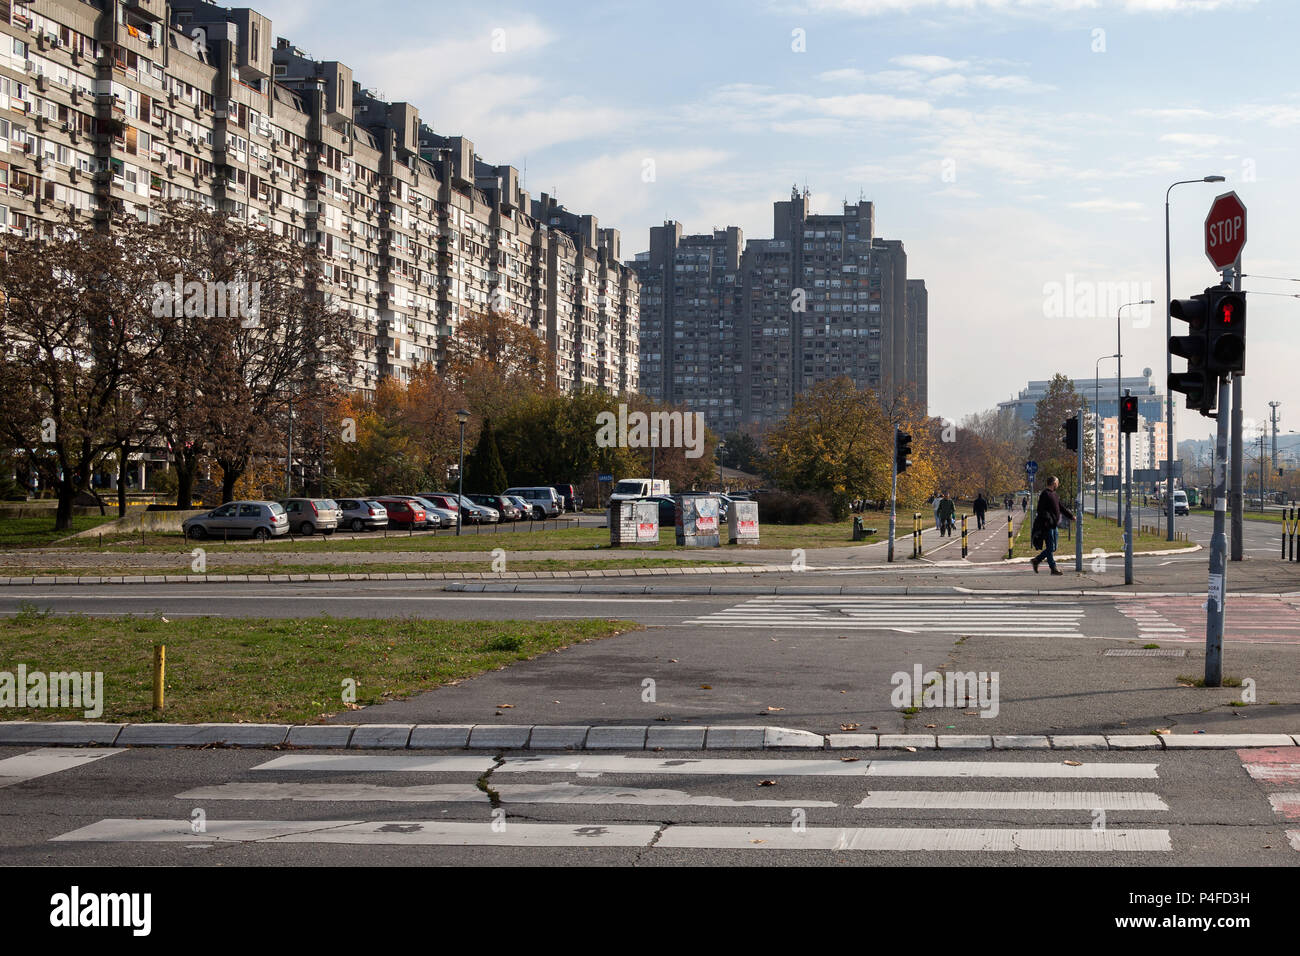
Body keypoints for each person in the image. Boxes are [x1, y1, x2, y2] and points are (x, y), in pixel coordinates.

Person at [1031, 475, 1075, 576]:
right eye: (1057, 483)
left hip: (1054, 526)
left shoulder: (1054, 494)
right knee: (1050, 547)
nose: (1058, 485)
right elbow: (1040, 510)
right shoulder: (1045, 494)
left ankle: (1037, 560)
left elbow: (1060, 507)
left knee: (1053, 548)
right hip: (1047, 526)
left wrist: (1070, 516)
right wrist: (1049, 520)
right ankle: (1053, 568)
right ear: (1054, 483)